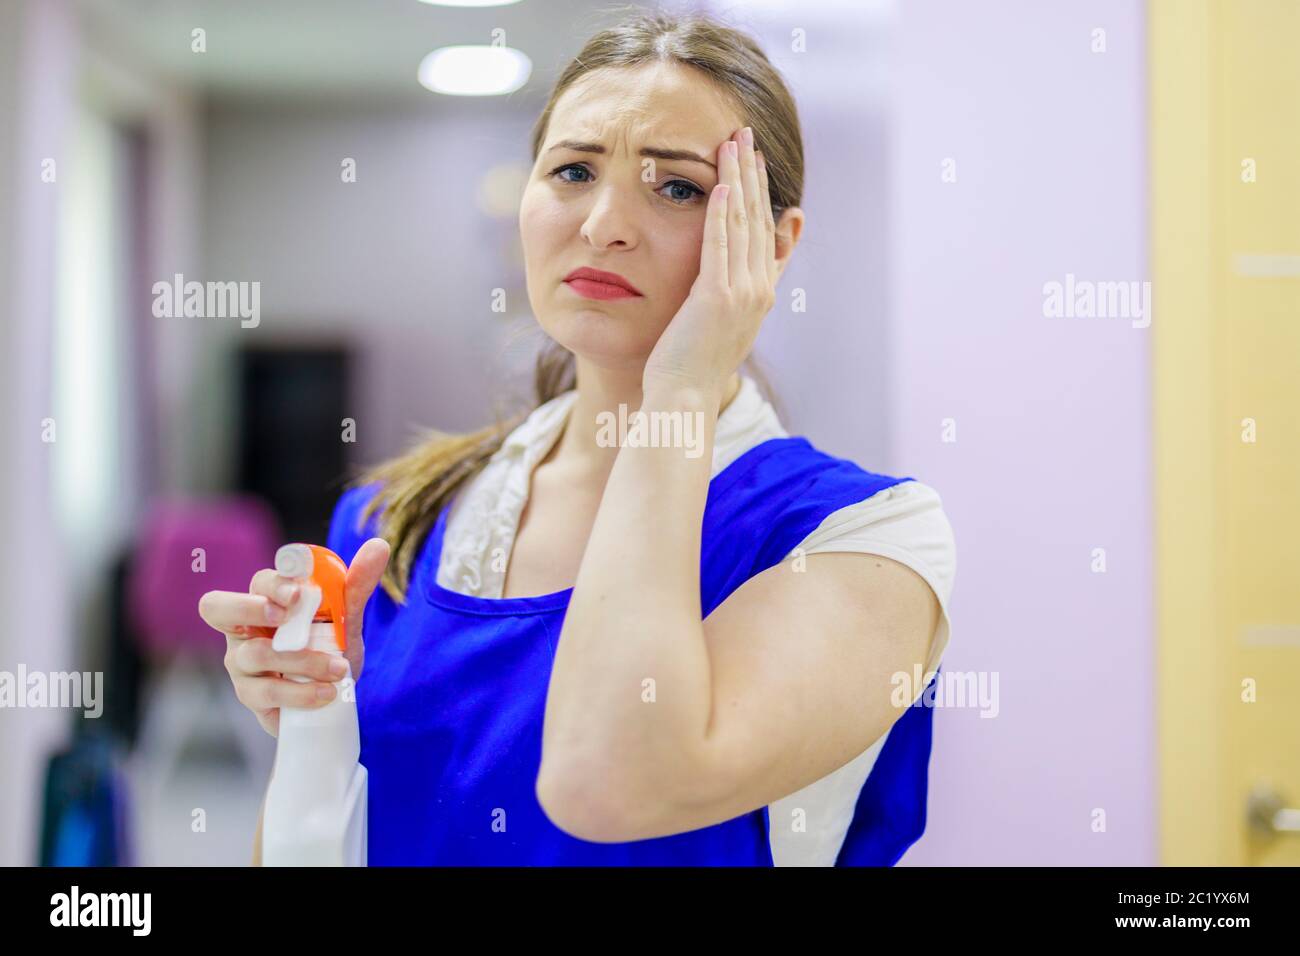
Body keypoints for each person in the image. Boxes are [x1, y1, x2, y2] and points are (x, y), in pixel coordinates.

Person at [199, 9, 956, 866]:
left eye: (677, 187)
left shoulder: (864, 539)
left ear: (772, 246)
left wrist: (681, 388)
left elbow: (610, 784)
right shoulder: (393, 519)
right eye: (572, 171)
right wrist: (313, 728)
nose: (602, 224)